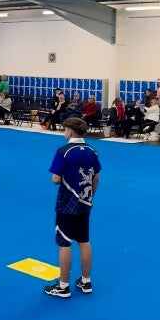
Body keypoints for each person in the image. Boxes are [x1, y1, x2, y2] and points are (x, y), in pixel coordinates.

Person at [45, 117, 100, 298]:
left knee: (64, 243)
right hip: (85, 202)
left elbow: (55, 178)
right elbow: (96, 178)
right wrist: (89, 196)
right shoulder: (92, 151)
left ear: (69, 131)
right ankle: (86, 281)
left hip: (66, 203)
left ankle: (63, 285)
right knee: (84, 240)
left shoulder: (64, 151)